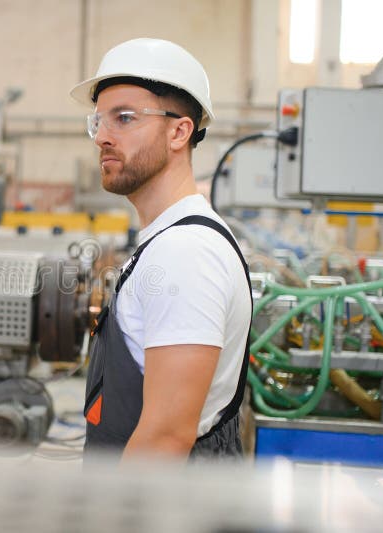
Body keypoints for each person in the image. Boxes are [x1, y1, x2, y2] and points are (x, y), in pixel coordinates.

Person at [70, 39, 252, 461]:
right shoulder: (165, 240)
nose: (103, 138)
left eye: (125, 118)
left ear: (179, 131)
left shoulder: (185, 254)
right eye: (98, 122)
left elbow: (164, 440)